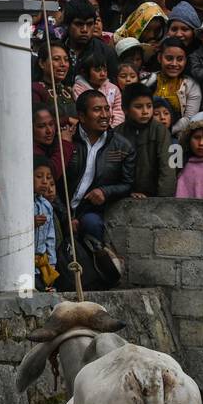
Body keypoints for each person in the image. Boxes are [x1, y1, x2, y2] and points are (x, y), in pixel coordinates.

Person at [65, 89, 136, 281]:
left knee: (92, 224)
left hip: (89, 209)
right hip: (59, 207)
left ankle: (98, 273)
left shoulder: (122, 147)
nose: (105, 115)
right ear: (81, 116)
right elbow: (53, 178)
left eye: (107, 109)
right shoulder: (67, 140)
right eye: (97, 110)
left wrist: (105, 191)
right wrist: (65, 216)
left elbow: (127, 184)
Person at [118, 82, 176, 198]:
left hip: (155, 198)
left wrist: (162, 201)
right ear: (125, 109)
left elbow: (168, 170)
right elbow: (112, 171)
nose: (145, 111)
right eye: (138, 107)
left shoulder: (161, 131)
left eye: (149, 106)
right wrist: (126, 193)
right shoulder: (117, 134)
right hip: (125, 197)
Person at [32, 158, 59, 291]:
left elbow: (50, 237)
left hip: (41, 265)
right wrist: (30, 224)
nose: (44, 182)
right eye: (38, 176)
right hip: (26, 264)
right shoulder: (23, 202)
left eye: (48, 178)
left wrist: (52, 264)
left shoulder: (47, 206)